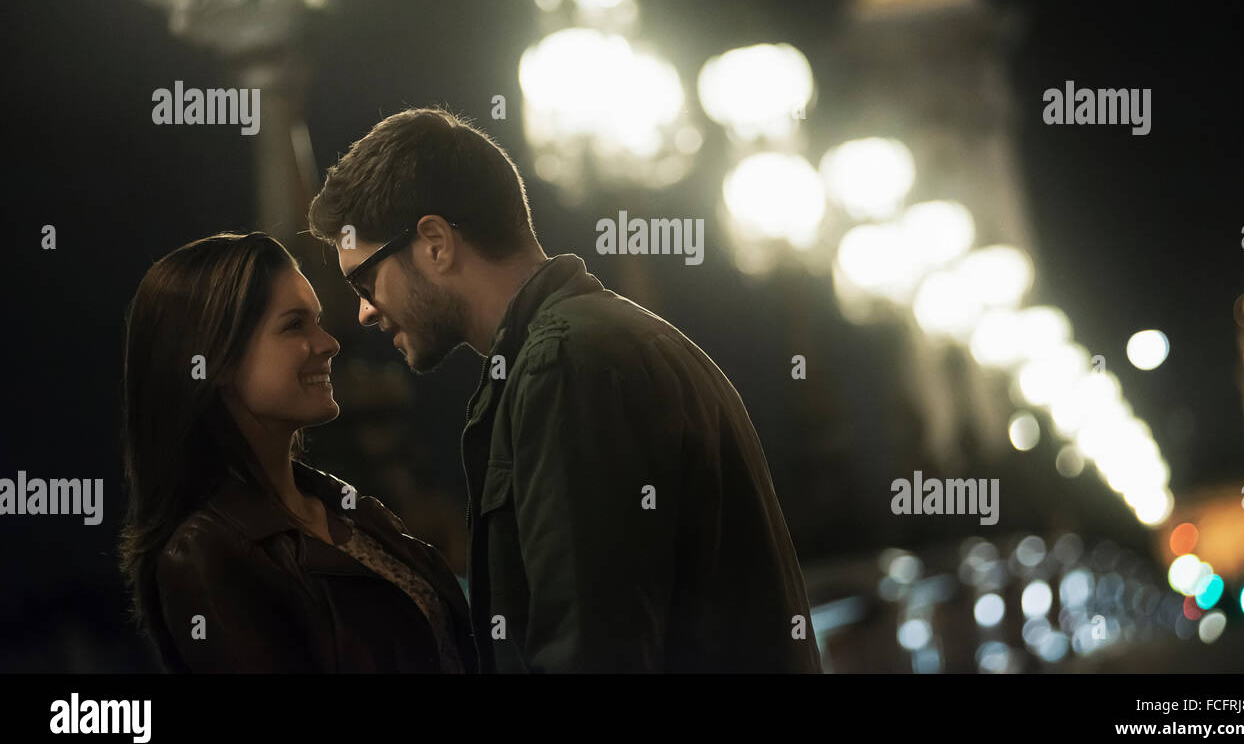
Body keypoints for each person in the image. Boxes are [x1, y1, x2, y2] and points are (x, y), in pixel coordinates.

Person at [307, 107, 824, 673]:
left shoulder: (566, 363)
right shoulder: (596, 342)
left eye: (364, 279)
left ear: (434, 242)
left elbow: (590, 646)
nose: (360, 313)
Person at [118, 231, 476, 672]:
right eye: (294, 325)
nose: (329, 343)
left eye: (318, 320)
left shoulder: (343, 508)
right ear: (216, 358)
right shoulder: (205, 555)